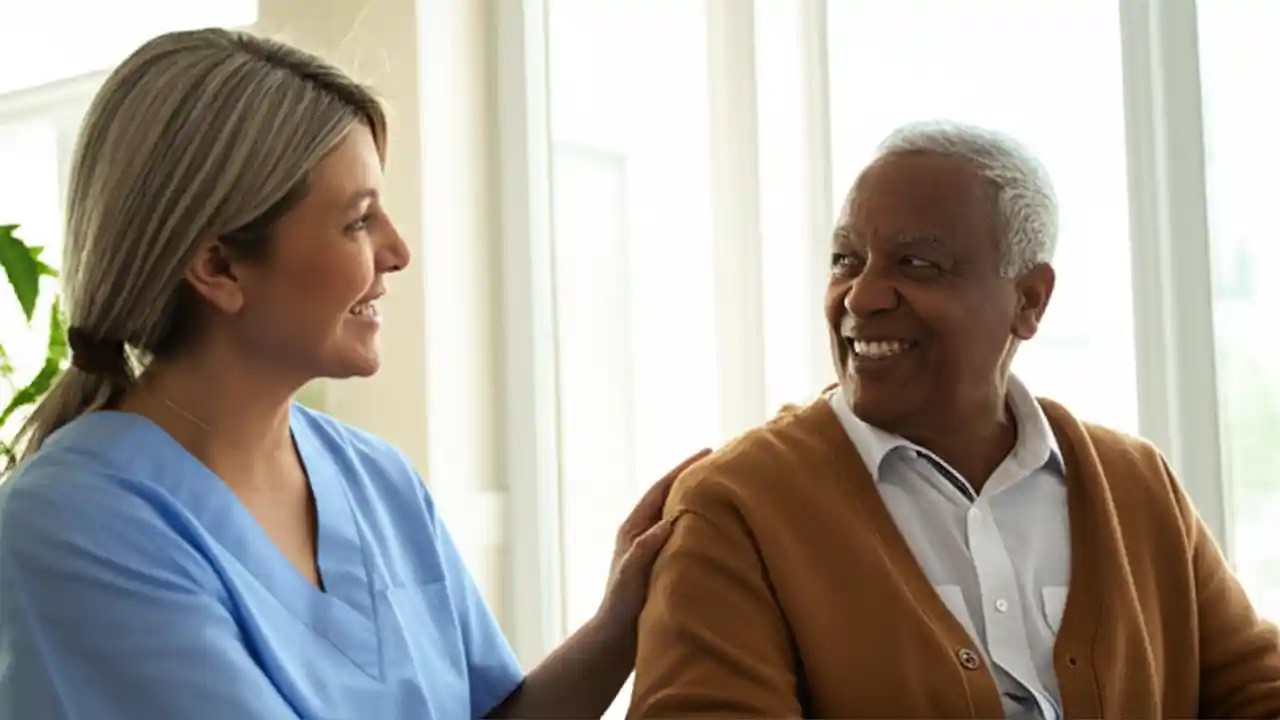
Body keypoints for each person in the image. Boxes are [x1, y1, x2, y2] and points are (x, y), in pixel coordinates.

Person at [0, 29, 706, 720]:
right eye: (358, 221)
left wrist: (620, 624)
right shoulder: (72, 528)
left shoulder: (376, 480)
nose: (398, 251)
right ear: (218, 266)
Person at [629, 120, 1280, 718]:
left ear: (1029, 299)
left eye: (917, 264)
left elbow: (1256, 689)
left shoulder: (1135, 485)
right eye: (845, 260)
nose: (861, 295)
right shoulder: (733, 506)